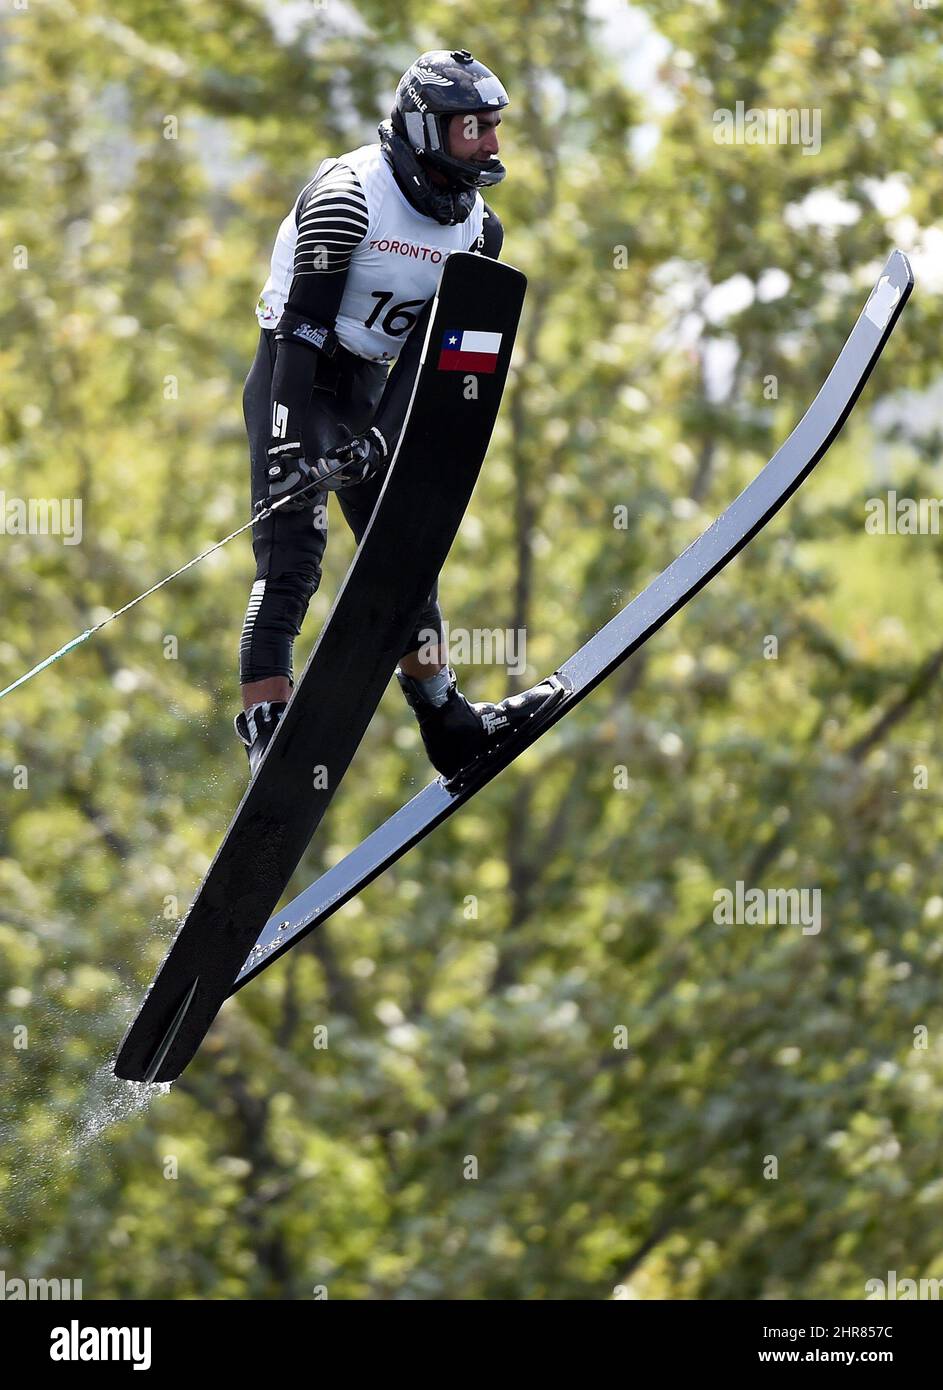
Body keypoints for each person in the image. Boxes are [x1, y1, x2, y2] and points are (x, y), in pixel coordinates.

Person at [237, 49, 554, 778]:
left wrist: (381, 437)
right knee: (292, 554)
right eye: (473, 128)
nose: (491, 144)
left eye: (494, 127)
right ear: (423, 126)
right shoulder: (347, 198)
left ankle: (446, 717)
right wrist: (290, 449)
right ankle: (266, 723)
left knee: (403, 558)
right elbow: (301, 332)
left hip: (373, 390)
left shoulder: (479, 231)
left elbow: (425, 358)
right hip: (298, 379)